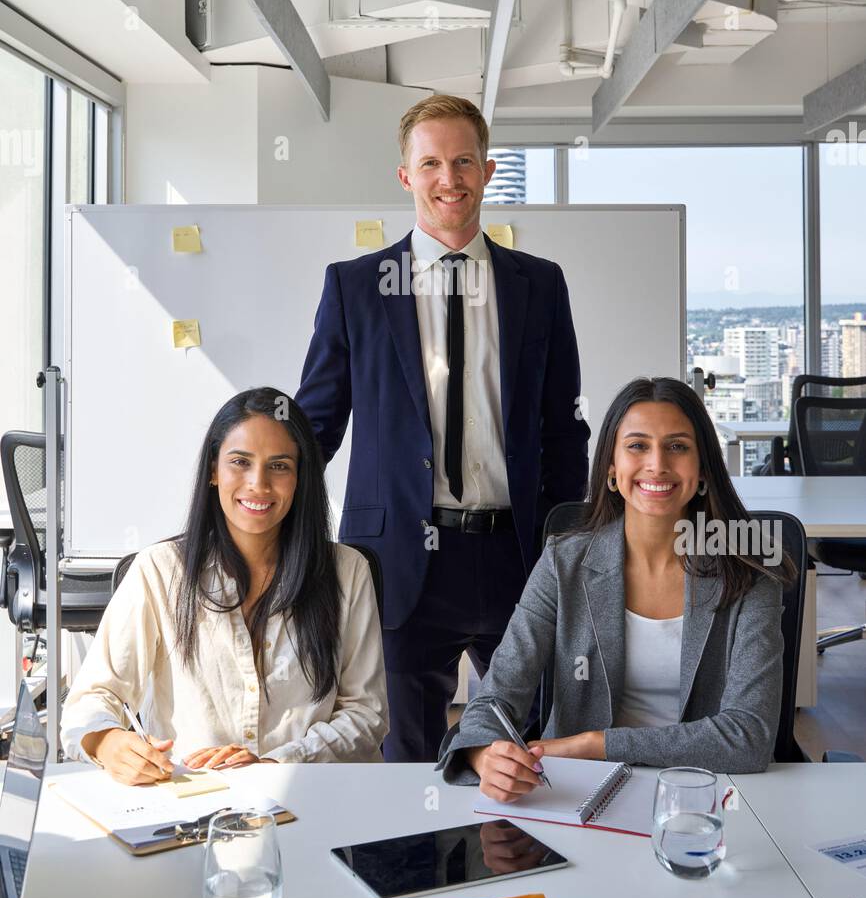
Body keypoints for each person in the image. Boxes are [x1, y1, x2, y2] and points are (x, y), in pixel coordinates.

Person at [297, 94, 589, 761]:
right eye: (430, 163)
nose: (448, 179)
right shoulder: (356, 287)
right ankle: (414, 866)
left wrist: (564, 545)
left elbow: (563, 429)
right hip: (396, 560)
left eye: (463, 161)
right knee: (403, 758)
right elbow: (315, 425)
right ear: (406, 177)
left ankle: (526, 864)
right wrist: (267, 521)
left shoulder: (538, 286)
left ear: (487, 171)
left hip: (518, 556)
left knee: (535, 751)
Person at [437, 376, 793, 795]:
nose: (657, 464)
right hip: (575, 792)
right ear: (611, 467)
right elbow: (493, 702)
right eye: (637, 446)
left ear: (702, 471)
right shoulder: (563, 563)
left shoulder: (749, 573)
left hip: (707, 796)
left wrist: (598, 744)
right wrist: (484, 756)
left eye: (677, 446)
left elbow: (747, 737)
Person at [61, 387, 388, 783]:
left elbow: (366, 715)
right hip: (191, 811)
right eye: (240, 462)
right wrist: (108, 742)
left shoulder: (347, 571)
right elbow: (90, 699)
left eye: (280, 466)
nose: (258, 484)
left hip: (309, 800)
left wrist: (274, 765)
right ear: (214, 471)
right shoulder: (160, 570)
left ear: (301, 477)